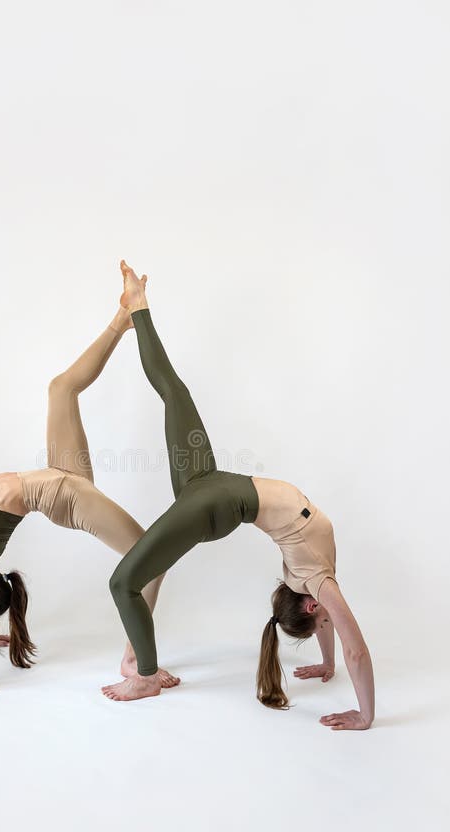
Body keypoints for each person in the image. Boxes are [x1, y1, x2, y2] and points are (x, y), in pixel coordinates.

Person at [102, 261, 374, 732]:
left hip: (217, 504)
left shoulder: (315, 581)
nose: (327, 613)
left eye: (319, 617)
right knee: (175, 392)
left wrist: (365, 715)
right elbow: (336, 632)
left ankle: (144, 675)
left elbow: (356, 645)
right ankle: (137, 305)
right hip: (210, 481)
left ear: (310, 605)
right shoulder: (314, 583)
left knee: (122, 581)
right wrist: (328, 669)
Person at [0, 302, 180, 698]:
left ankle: (122, 318)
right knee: (150, 563)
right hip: (67, 497)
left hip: (60, 476)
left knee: (60, 387)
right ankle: (135, 660)